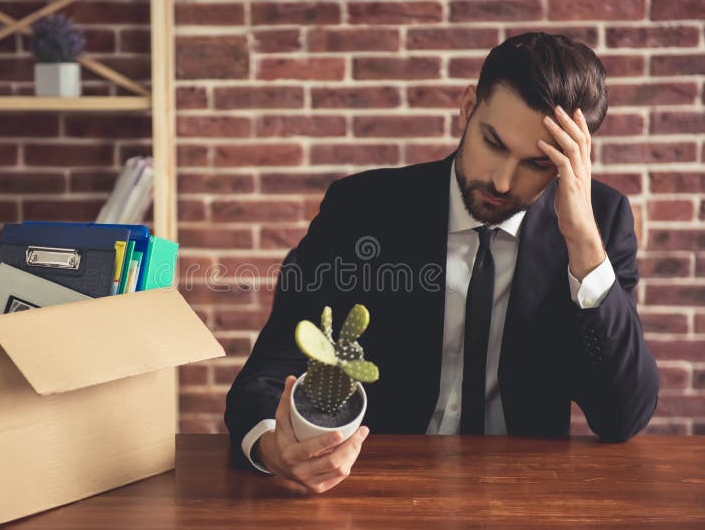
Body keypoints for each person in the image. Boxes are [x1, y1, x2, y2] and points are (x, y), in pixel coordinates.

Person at [224, 32, 659, 494]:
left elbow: (622, 416)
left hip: (527, 494)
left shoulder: (601, 224)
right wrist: (274, 451)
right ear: (468, 108)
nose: (501, 180)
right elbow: (269, 371)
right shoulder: (361, 209)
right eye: (492, 142)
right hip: (378, 488)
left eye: (536, 164)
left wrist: (585, 248)